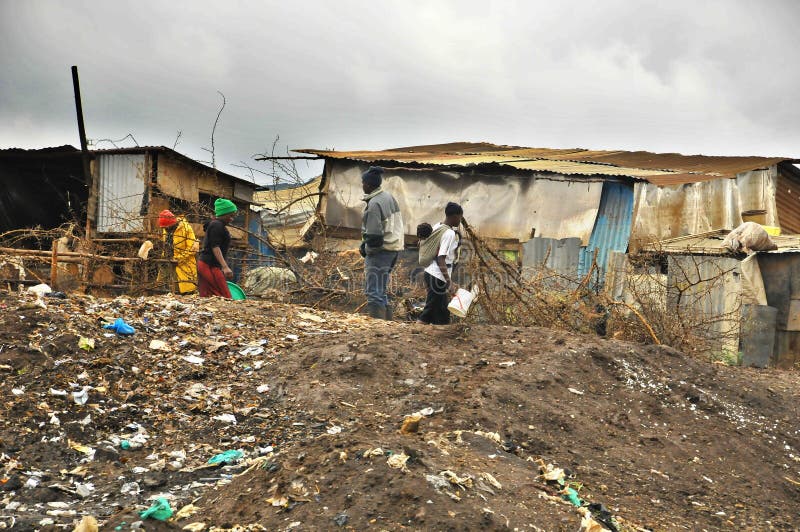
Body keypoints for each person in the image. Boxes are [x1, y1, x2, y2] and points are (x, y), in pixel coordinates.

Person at [359, 166, 404, 319]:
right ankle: (387, 326)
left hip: (380, 252)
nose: (362, 185)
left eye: (363, 183)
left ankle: (377, 328)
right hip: (393, 249)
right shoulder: (388, 197)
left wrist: (365, 248)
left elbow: (375, 237)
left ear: (369, 185)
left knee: (373, 292)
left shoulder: (374, 204)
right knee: (381, 289)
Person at [418, 202, 463, 325]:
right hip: (437, 277)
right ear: (454, 216)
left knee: (441, 313)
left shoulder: (438, 226)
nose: (460, 221)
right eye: (460, 217)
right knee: (427, 313)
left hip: (431, 273)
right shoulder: (449, 233)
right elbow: (441, 258)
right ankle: (413, 335)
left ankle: (438, 337)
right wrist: (449, 283)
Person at [197, 198, 237, 298]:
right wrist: (225, 267)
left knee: (208, 295)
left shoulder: (216, 225)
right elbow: (215, 246)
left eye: (233, 216)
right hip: (209, 265)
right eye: (230, 216)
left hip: (209, 265)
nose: (232, 219)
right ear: (223, 214)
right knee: (223, 295)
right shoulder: (217, 225)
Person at [158, 209, 198, 294]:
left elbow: (193, 248)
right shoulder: (166, 229)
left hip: (183, 264)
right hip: (167, 261)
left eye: (165, 227)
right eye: (163, 228)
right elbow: (166, 245)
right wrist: (163, 257)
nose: (165, 229)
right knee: (161, 287)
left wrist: (178, 259)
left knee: (183, 290)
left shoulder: (186, 228)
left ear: (171, 224)